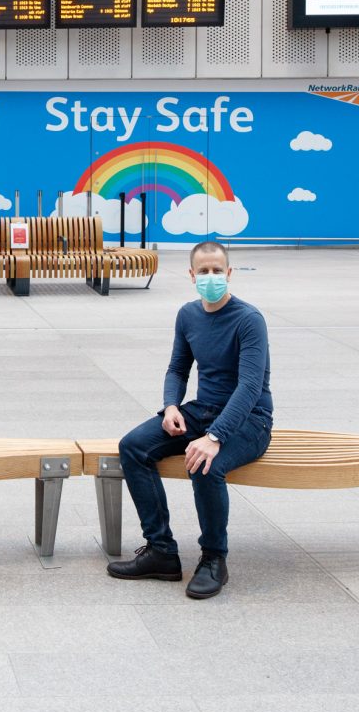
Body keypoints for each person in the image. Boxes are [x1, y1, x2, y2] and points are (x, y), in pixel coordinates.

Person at [108, 240, 272, 599]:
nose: (210, 277)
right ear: (191, 275)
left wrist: (214, 438)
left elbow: (249, 387)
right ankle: (162, 552)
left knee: (205, 465)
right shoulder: (188, 315)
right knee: (133, 447)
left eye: (217, 271)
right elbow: (178, 368)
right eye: (203, 271)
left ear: (229, 274)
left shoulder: (249, 320)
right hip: (203, 411)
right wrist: (171, 407)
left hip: (250, 421)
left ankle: (214, 558)